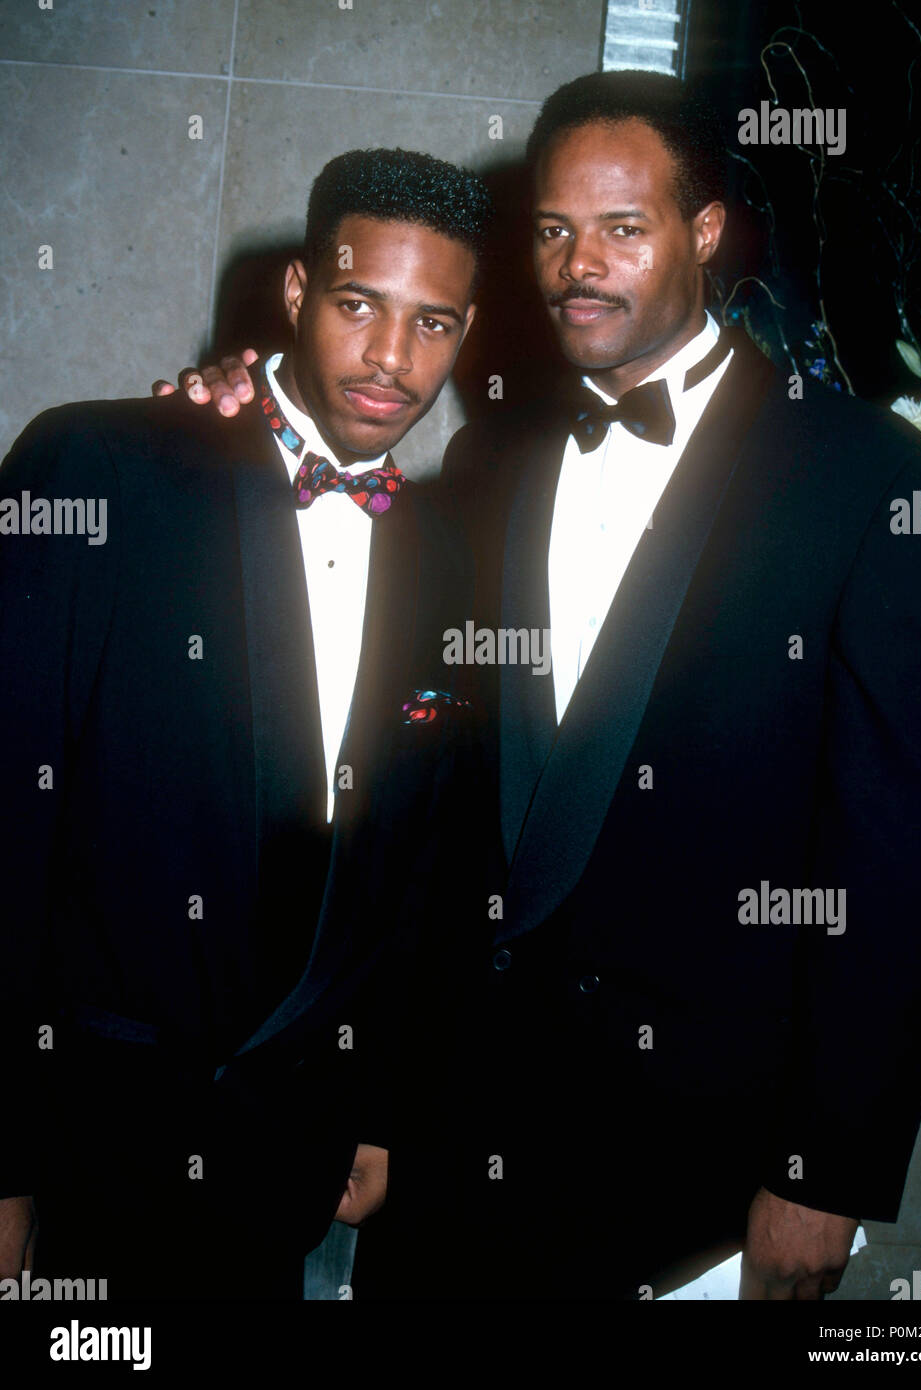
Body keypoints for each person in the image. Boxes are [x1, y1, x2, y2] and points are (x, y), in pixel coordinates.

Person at [165, 72, 921, 1302]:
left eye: (622, 228)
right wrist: (227, 412)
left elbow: (897, 859)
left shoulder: (870, 480)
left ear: (703, 233)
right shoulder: (494, 456)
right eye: (550, 230)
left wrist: (829, 1170)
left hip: (696, 1177)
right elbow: (430, 822)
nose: (576, 266)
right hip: (453, 1151)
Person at [0, 146, 490, 1299]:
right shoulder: (97, 463)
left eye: (435, 324)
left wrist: (373, 1107)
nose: (391, 359)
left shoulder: (445, 553)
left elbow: (407, 873)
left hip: (288, 1162)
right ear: (295, 294)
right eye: (360, 304)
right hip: (82, 1151)